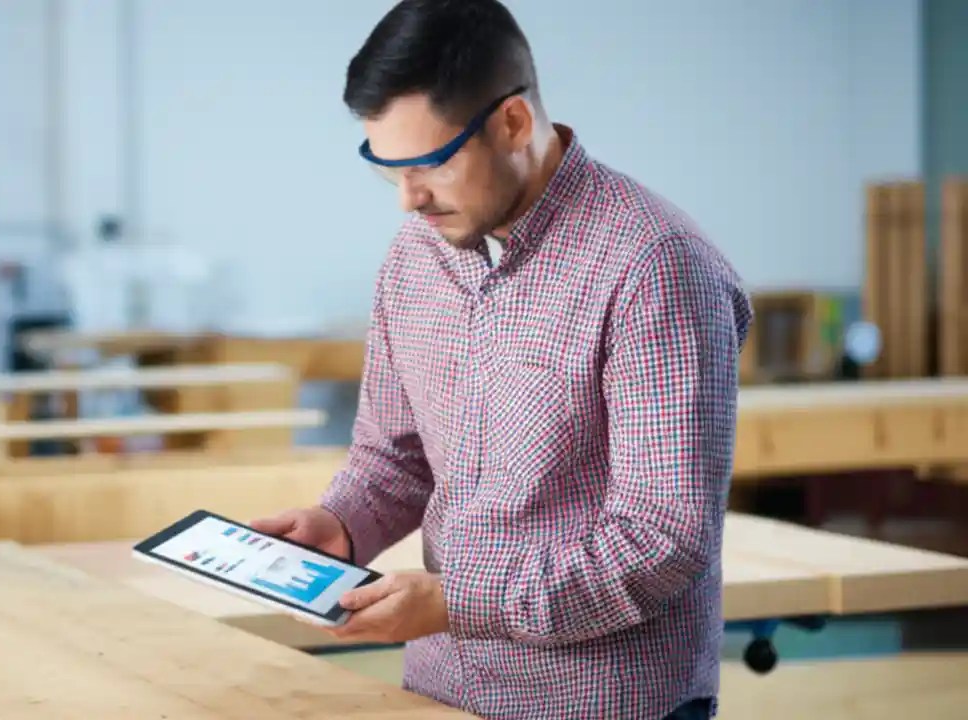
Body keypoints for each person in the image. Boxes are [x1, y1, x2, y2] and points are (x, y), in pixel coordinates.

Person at [252, 1, 752, 718]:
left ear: (513, 123)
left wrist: (459, 601)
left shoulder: (655, 267)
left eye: (428, 164)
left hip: (605, 704)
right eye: (384, 167)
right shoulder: (417, 255)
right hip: (443, 692)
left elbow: (661, 541)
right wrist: (340, 525)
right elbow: (395, 459)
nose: (407, 200)